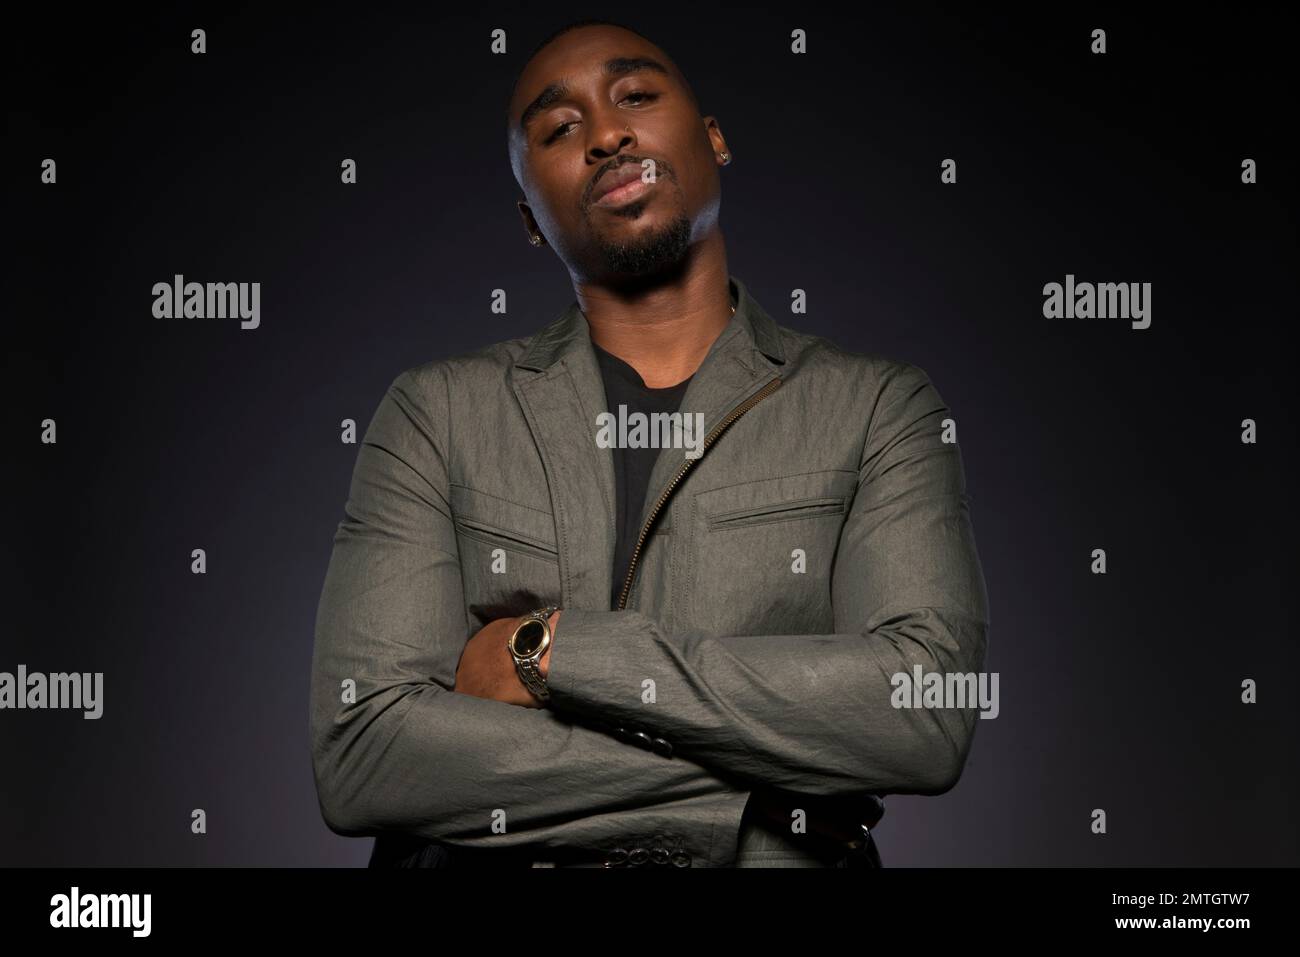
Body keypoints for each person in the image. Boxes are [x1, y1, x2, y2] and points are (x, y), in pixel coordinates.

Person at [310, 18, 990, 868]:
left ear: (713, 139)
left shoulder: (879, 407)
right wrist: (765, 801)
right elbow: (365, 753)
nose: (605, 134)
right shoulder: (434, 414)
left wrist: (550, 651)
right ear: (530, 218)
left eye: (635, 97)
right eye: (560, 131)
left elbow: (923, 711)